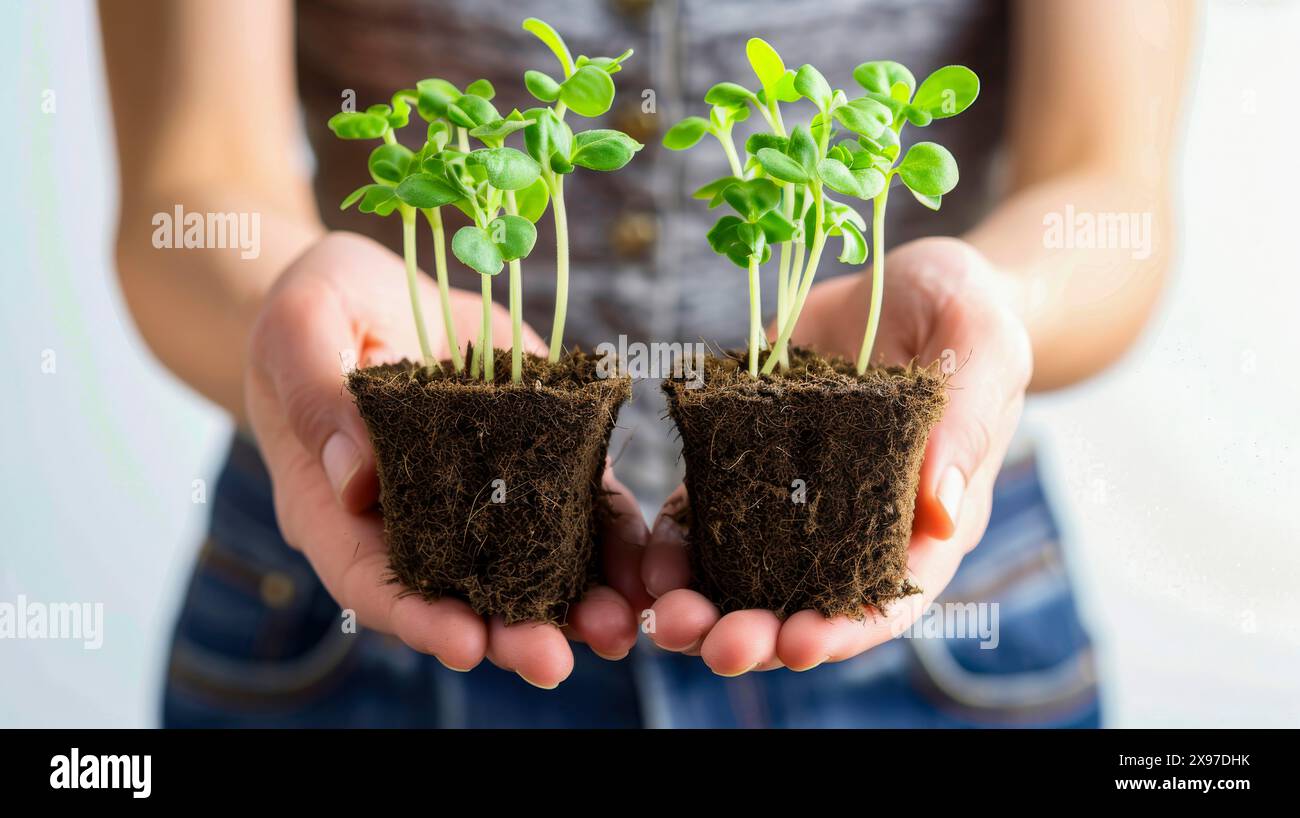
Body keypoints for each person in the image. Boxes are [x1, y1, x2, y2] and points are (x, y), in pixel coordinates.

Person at [100, 0, 1191, 726]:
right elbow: (187, 185)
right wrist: (289, 321)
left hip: (946, 633)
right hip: (336, 613)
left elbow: (1110, 195)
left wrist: (992, 303)